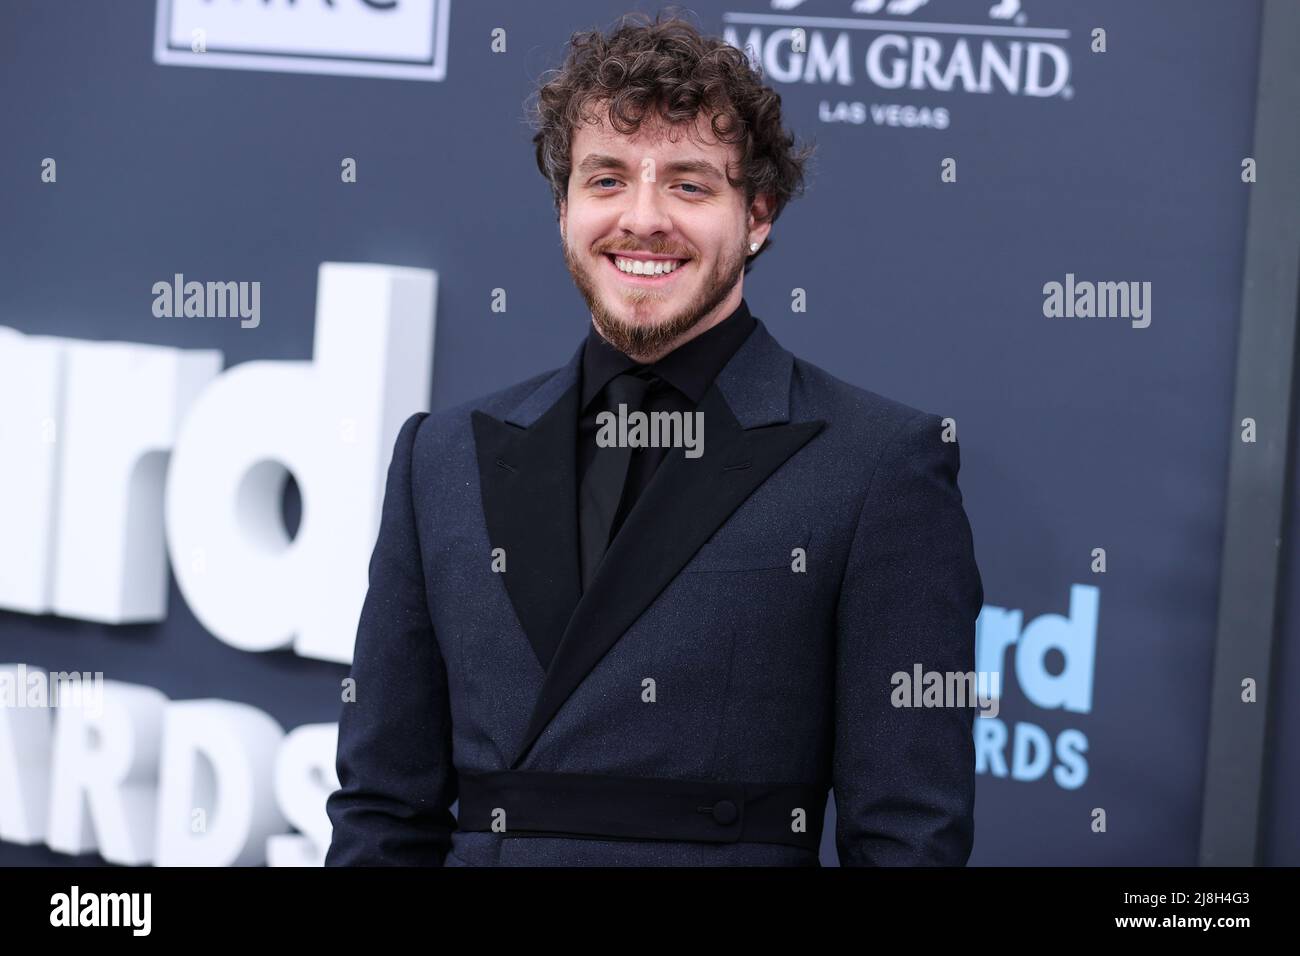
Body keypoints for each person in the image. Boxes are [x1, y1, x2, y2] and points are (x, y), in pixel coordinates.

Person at [325, 12, 983, 867]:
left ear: (757, 215)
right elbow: (381, 809)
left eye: (689, 184)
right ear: (563, 208)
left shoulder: (878, 466)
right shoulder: (441, 457)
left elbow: (909, 838)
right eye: (607, 180)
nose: (642, 219)